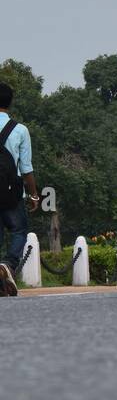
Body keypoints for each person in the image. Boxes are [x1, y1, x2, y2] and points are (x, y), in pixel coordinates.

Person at [0, 77, 40, 297]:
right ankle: (8, 264)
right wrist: (34, 195)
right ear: (10, 102)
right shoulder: (20, 130)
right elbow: (26, 169)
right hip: (11, 193)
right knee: (18, 231)